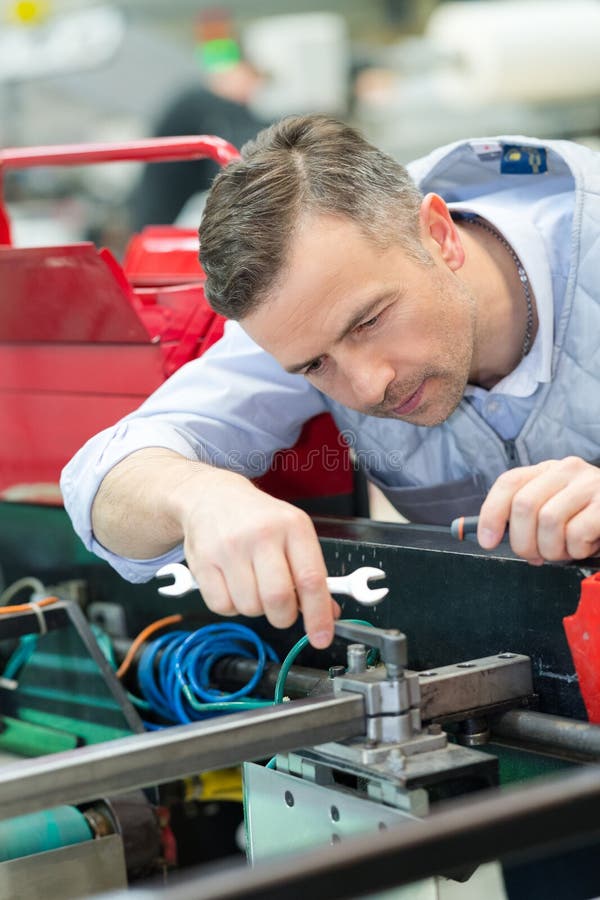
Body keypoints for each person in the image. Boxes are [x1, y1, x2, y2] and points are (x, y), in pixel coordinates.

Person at [61, 115, 600, 650]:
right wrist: (198, 495)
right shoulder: (300, 313)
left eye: (369, 322)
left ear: (438, 236)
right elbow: (99, 479)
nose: (369, 388)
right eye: (315, 366)